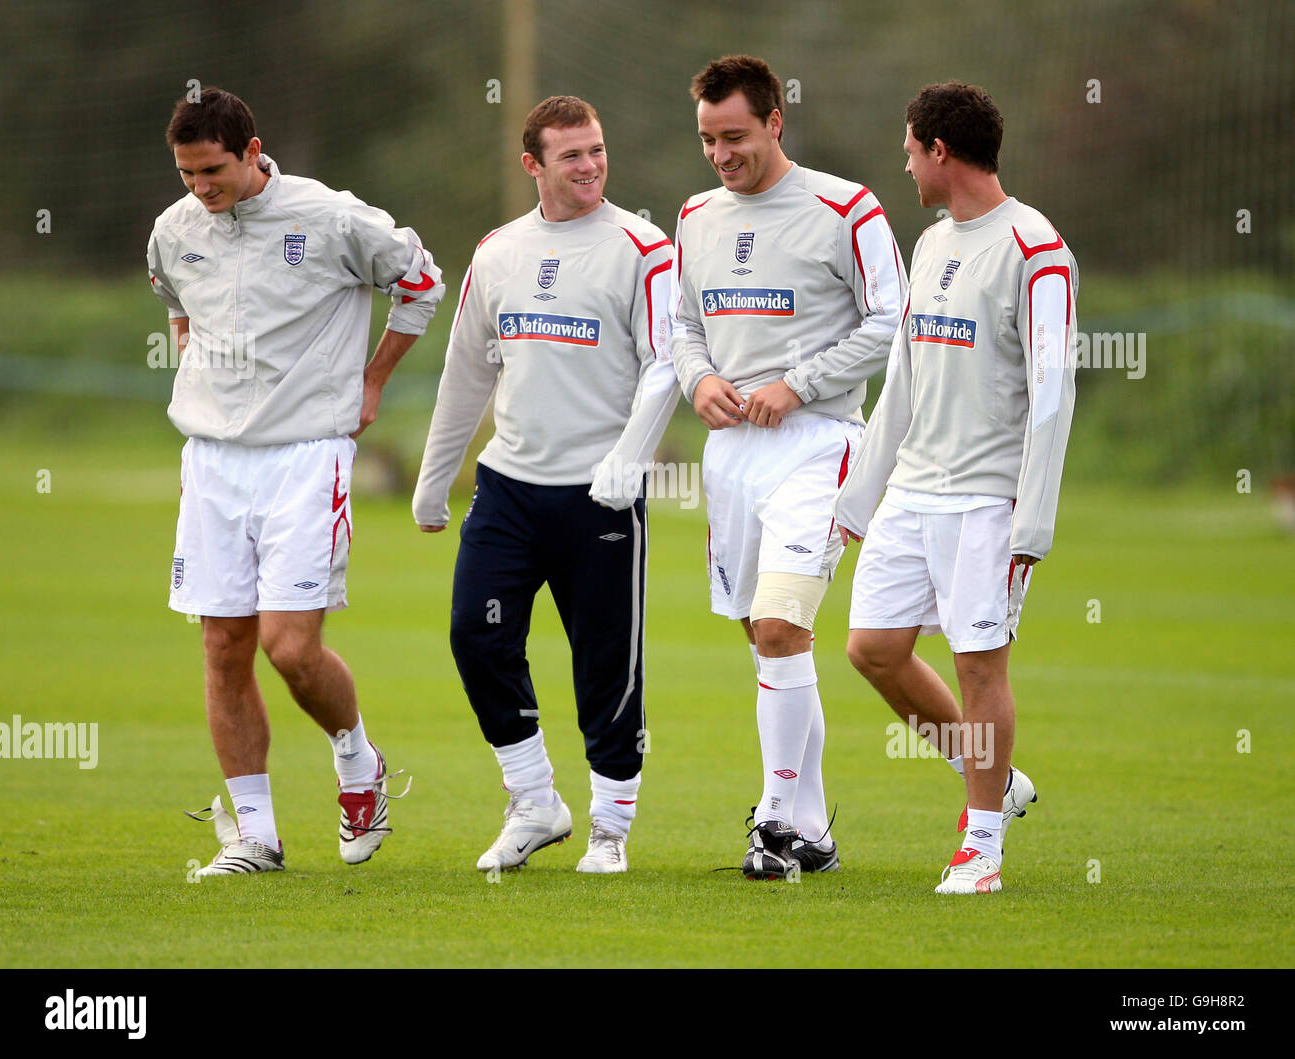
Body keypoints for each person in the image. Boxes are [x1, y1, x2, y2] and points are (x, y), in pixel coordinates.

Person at [146, 87, 443, 876]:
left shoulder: (333, 217)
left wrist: (372, 382)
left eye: (212, 170)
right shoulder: (174, 230)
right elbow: (177, 306)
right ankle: (254, 836)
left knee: (289, 647)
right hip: (211, 462)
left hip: (307, 456)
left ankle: (357, 760)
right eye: (186, 174)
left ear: (252, 151)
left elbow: (420, 284)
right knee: (222, 646)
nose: (200, 189)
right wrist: (204, 380)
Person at [412, 96, 677, 874]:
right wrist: (435, 482)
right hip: (508, 490)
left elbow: (665, 363)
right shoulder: (496, 252)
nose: (590, 165)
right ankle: (534, 800)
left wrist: (631, 457)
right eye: (571, 154)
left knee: (606, 663)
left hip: (599, 495)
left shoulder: (645, 247)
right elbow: (466, 372)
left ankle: (610, 828)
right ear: (533, 164)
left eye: (597, 150)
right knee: (476, 634)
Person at [835, 82, 1078, 894]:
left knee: (980, 667)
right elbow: (903, 379)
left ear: (940, 150)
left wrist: (1031, 519)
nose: (903, 165)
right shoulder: (932, 242)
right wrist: (858, 501)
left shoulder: (1037, 249)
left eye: (909, 150)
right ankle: (998, 784)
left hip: (987, 498)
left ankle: (982, 848)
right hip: (914, 490)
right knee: (872, 649)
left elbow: (1052, 391)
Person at [672, 56, 908, 879]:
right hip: (732, 454)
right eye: (707, 138)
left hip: (821, 443)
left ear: (776, 121)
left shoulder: (847, 207)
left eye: (734, 135)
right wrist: (698, 379)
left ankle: (771, 819)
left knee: (781, 626)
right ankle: (813, 830)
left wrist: (798, 383)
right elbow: (681, 327)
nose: (721, 154)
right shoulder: (695, 216)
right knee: (769, 643)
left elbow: (894, 321)